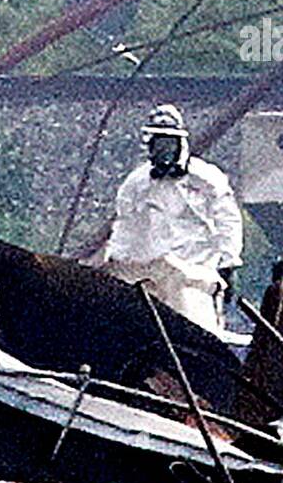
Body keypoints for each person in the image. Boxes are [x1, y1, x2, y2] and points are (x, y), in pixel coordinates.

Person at [103, 104, 243, 336]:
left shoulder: (207, 178)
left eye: (168, 143)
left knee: (195, 334)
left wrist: (229, 263)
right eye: (158, 144)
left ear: (180, 143)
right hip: (149, 274)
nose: (163, 150)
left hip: (196, 275)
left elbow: (228, 221)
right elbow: (125, 227)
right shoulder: (136, 183)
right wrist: (115, 260)